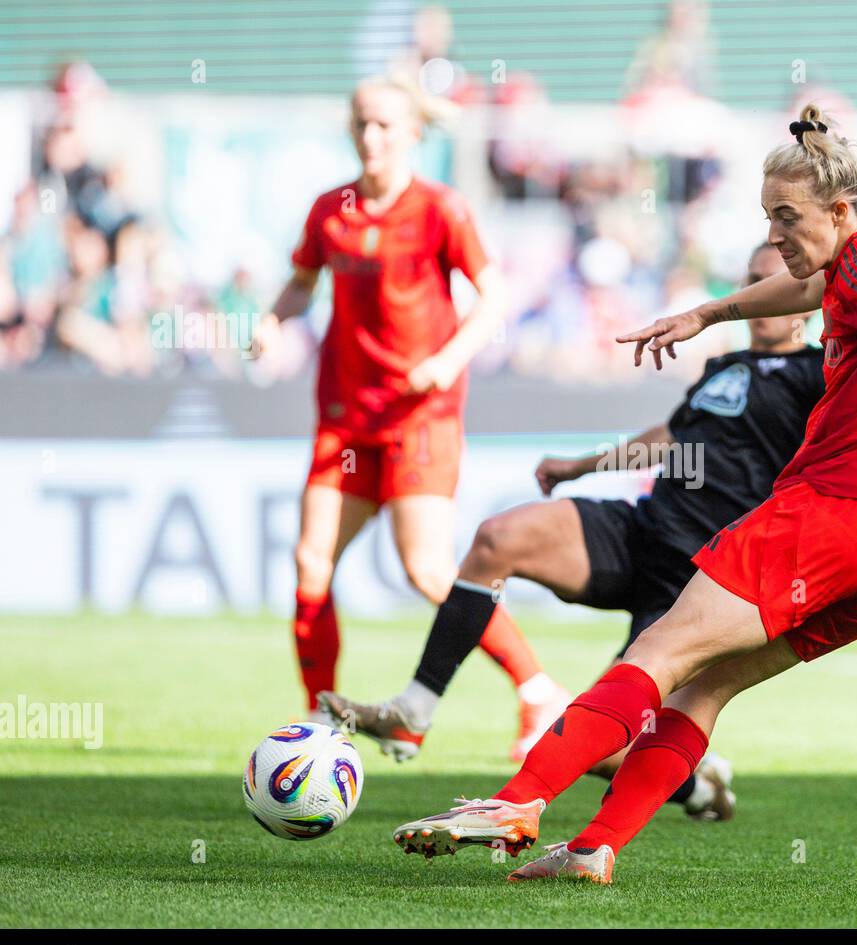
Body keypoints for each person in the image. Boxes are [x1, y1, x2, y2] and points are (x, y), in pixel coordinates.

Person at [388, 105, 857, 883]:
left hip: (840, 509)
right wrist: (707, 313)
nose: (776, 237)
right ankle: (594, 848)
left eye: (786, 219)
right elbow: (810, 288)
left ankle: (517, 800)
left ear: (841, 210)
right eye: (767, 219)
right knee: (707, 688)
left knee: (659, 651)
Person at [320, 240, 824, 818]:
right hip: (643, 531)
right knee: (497, 539)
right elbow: (668, 439)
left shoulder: (818, 377)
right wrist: (581, 466)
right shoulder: (724, 367)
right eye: (750, 280)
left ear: (803, 299)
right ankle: (414, 709)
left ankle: (701, 787)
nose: (757, 295)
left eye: (774, 282)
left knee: (598, 742)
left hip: (699, 577)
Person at [252, 76, 561, 748]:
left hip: (421, 418)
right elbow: (302, 284)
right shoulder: (329, 210)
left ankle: (538, 692)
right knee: (311, 564)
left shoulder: (439, 209)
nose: (371, 137)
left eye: (385, 126)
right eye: (361, 123)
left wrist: (448, 361)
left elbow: (494, 299)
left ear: (412, 133)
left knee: (427, 570)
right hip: (345, 420)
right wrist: (274, 321)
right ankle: (320, 719)